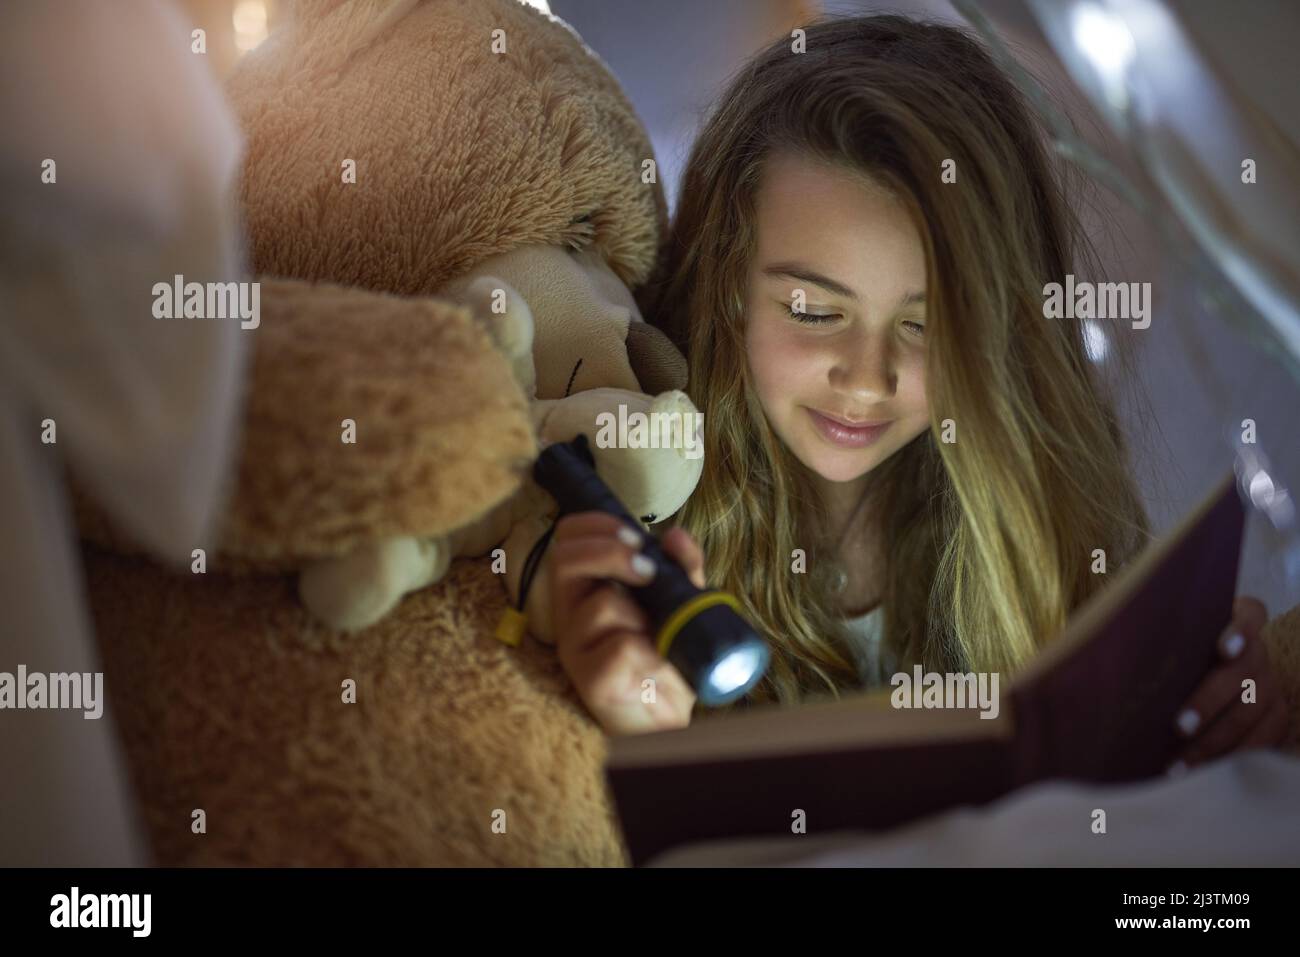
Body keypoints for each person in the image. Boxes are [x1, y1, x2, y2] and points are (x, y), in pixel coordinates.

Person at [544, 14, 1288, 767]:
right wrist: (631, 737)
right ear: (726, 286)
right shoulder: (644, 504)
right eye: (815, 310)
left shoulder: (1041, 512)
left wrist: (1231, 705)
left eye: (928, 324)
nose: (868, 377)